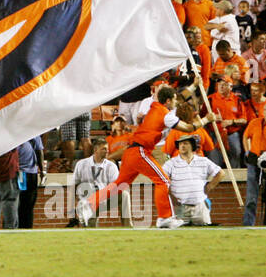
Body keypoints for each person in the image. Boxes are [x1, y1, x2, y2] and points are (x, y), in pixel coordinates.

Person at [79, 85, 209, 228]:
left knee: (118, 186)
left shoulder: (156, 107)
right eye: (173, 100)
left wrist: (194, 85)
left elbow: (180, 97)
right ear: (167, 101)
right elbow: (188, 128)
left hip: (131, 151)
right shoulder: (166, 114)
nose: (176, 102)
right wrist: (206, 119)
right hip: (140, 151)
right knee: (163, 181)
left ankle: (89, 203)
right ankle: (165, 217)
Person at [162, 135, 222, 225]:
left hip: (200, 205)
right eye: (180, 144)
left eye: (185, 143)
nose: (182, 146)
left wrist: (210, 186)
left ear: (192, 146)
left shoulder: (204, 161)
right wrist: (171, 196)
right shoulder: (170, 163)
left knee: (205, 232)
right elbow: (161, 180)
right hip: (179, 206)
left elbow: (221, 173)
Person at [70, 137, 129, 227]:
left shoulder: (111, 166)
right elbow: (73, 186)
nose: (107, 151)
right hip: (88, 200)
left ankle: (128, 227)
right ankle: (89, 225)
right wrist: (72, 207)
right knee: (90, 227)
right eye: (104, 149)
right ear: (95, 150)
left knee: (124, 194)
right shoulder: (81, 164)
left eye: (107, 149)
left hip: (105, 198)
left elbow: (116, 187)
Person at [16, 135, 44, 228]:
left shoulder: (33, 133)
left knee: (27, 203)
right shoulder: (32, 133)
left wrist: (42, 170)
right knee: (24, 203)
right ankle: (22, 226)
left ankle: (25, 226)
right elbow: (39, 151)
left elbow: (39, 151)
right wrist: (42, 170)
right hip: (23, 173)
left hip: (28, 173)